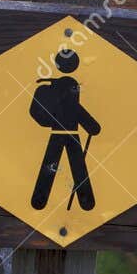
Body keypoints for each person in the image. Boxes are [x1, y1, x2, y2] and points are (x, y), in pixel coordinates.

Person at [29, 47, 100, 211]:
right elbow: (76, 109)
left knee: (55, 165)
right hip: (70, 134)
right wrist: (92, 126)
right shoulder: (68, 86)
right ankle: (85, 201)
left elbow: (73, 108)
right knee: (77, 166)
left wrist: (50, 121)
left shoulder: (57, 85)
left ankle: (40, 201)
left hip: (58, 134)